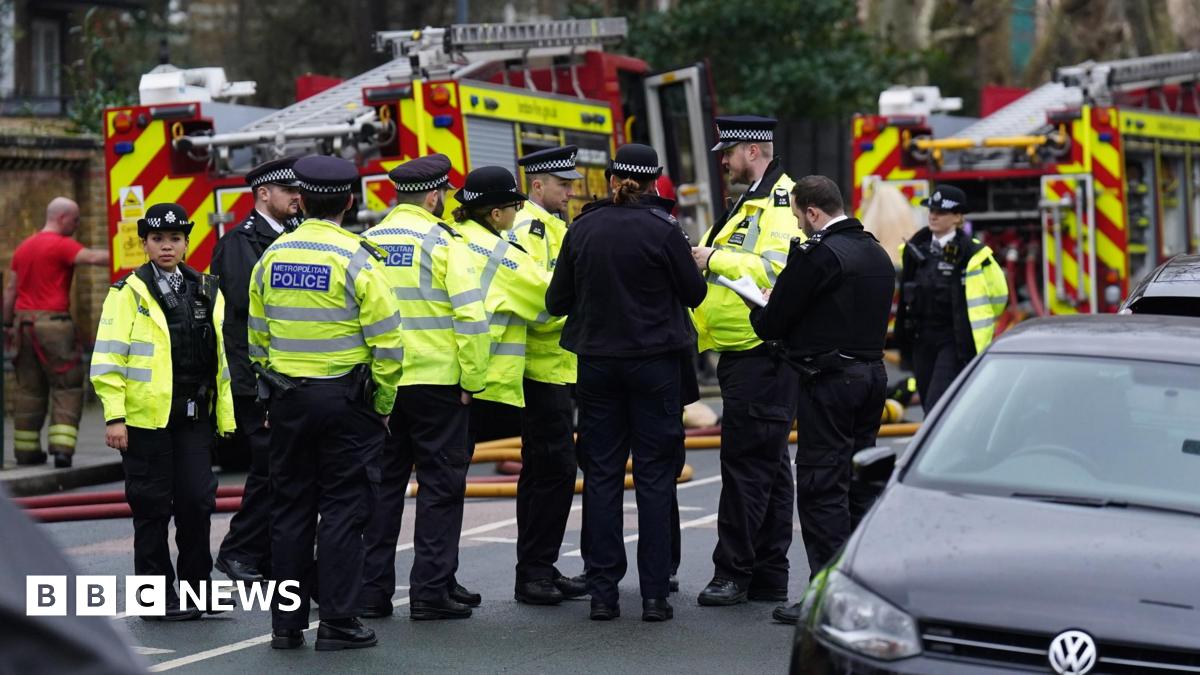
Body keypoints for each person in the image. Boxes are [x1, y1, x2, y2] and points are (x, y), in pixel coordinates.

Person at [247, 155, 404, 651]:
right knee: (343, 511)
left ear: (302, 200)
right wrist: (381, 403)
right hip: (346, 404)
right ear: (350, 201)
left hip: (289, 401)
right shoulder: (358, 258)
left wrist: (271, 390)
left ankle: (286, 626)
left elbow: (257, 338)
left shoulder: (272, 256)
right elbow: (388, 342)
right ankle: (337, 622)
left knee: (289, 511)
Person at [546, 143, 707, 622]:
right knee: (656, 477)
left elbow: (557, 301)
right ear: (655, 181)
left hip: (597, 365)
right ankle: (655, 594)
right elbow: (694, 294)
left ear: (611, 179)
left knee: (601, 475)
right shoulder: (664, 230)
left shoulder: (583, 227)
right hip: (655, 366)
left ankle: (602, 593)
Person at [746, 176, 894, 624]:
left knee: (821, 488)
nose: (798, 223)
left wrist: (759, 305)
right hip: (872, 377)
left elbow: (774, 323)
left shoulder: (820, 254)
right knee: (858, 485)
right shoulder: (877, 253)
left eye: (797, 215)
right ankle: (859, 586)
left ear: (812, 212)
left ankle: (826, 596)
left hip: (830, 382)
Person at [358, 154, 491, 621]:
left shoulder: (367, 242)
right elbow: (470, 317)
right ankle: (431, 593)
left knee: (382, 489)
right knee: (440, 488)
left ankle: (372, 593)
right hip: (439, 386)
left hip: (383, 387)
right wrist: (473, 381)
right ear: (434, 196)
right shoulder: (445, 243)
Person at [90, 202, 235, 621]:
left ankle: (197, 591)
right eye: (158, 239)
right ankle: (153, 597)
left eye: (174, 239)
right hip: (144, 421)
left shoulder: (207, 288)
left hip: (192, 416)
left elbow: (221, 358)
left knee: (196, 503)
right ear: (145, 244)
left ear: (187, 243)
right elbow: (108, 361)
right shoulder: (126, 294)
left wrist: (224, 416)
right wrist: (114, 416)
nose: (166, 247)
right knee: (152, 508)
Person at [688, 115, 801, 607]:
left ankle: (732, 573)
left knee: (744, 469)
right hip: (745, 354)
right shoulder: (753, 198)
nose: (722, 161)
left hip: (761, 354)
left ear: (752, 150)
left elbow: (774, 270)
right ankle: (769, 574)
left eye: (727, 153)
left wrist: (711, 257)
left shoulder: (779, 202)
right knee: (770, 469)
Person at [451, 165, 557, 612]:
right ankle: (534, 576)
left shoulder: (451, 239)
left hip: (432, 376)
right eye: (514, 207)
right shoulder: (502, 254)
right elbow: (549, 305)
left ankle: (432, 578)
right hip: (483, 380)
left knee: (430, 483)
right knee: (549, 466)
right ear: (495, 214)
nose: (518, 212)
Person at [213, 156, 301, 584]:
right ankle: (239, 552)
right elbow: (247, 305)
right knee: (270, 467)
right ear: (263, 194)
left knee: (286, 469)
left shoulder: (298, 234)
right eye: (288, 191)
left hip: (291, 373)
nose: (296, 197)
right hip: (255, 375)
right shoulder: (240, 244)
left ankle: (259, 553)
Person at [507, 145, 587, 605]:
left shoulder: (554, 226)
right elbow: (541, 300)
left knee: (546, 470)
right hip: (540, 368)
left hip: (556, 365)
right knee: (552, 470)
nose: (570, 192)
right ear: (537, 184)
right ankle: (534, 572)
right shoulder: (530, 227)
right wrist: (583, 311)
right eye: (563, 184)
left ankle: (540, 566)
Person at [3, 197, 109, 468]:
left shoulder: (23, 248)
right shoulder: (61, 245)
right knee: (67, 386)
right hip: (54, 325)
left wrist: (6, 325)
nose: (77, 226)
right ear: (63, 218)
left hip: (23, 326)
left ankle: (26, 453)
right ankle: (62, 451)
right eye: (75, 221)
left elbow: (10, 291)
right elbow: (95, 258)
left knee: (28, 389)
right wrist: (139, 251)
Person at [894, 185, 1007, 412]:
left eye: (941, 212)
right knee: (928, 404)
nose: (933, 216)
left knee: (939, 404)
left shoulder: (974, 255)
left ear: (957, 217)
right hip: (921, 339)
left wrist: (973, 326)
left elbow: (999, 296)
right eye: (931, 210)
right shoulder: (915, 250)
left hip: (953, 340)